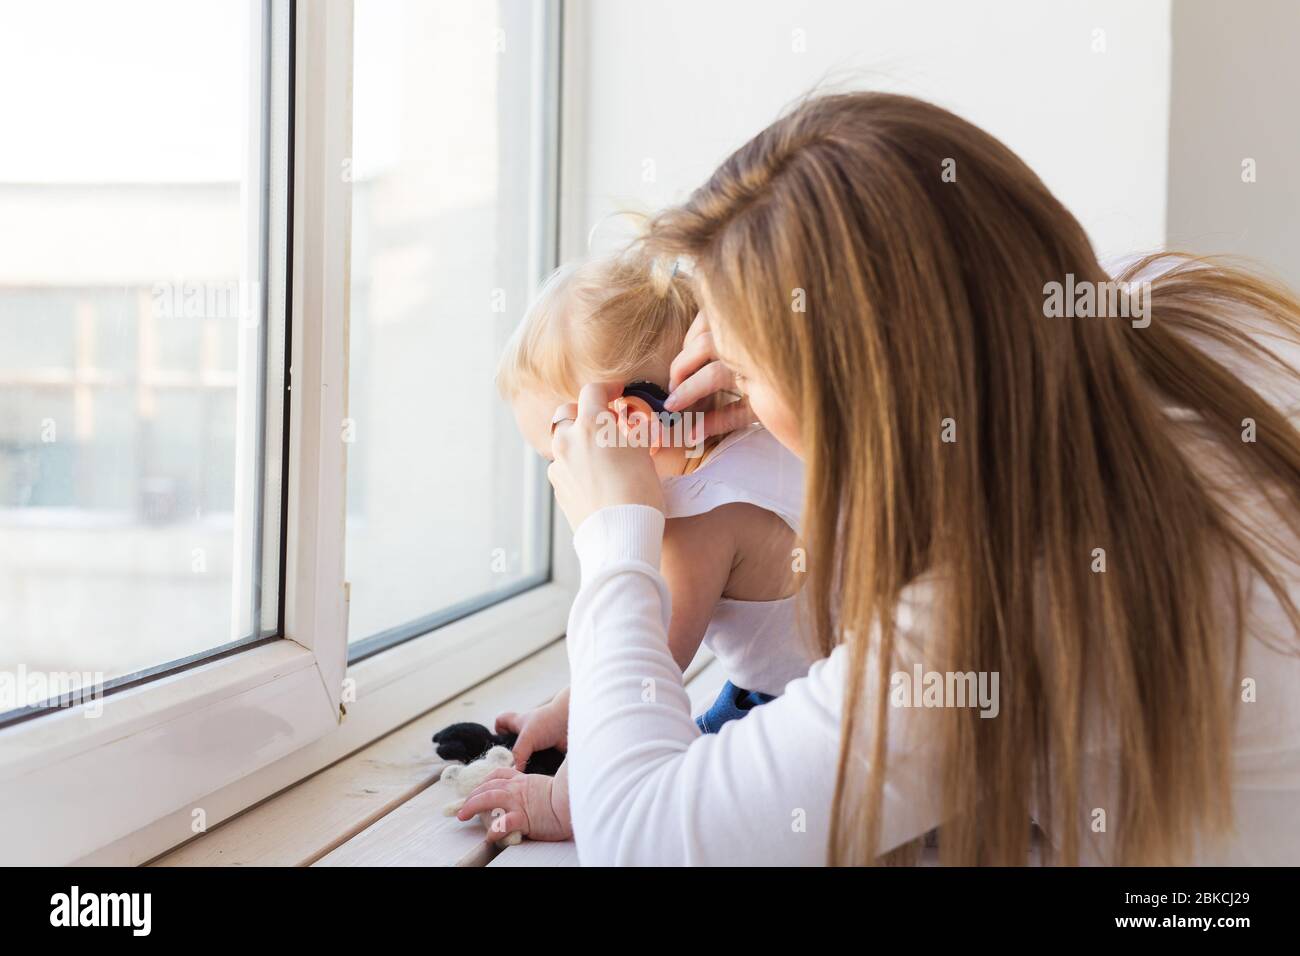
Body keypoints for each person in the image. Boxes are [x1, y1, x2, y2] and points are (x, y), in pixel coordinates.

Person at [466, 91, 1300, 865]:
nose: (726, 393)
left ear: (847, 386)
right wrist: (787, 386)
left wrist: (614, 535)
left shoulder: (993, 610)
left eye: (746, 374)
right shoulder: (1162, 307)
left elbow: (642, 836)